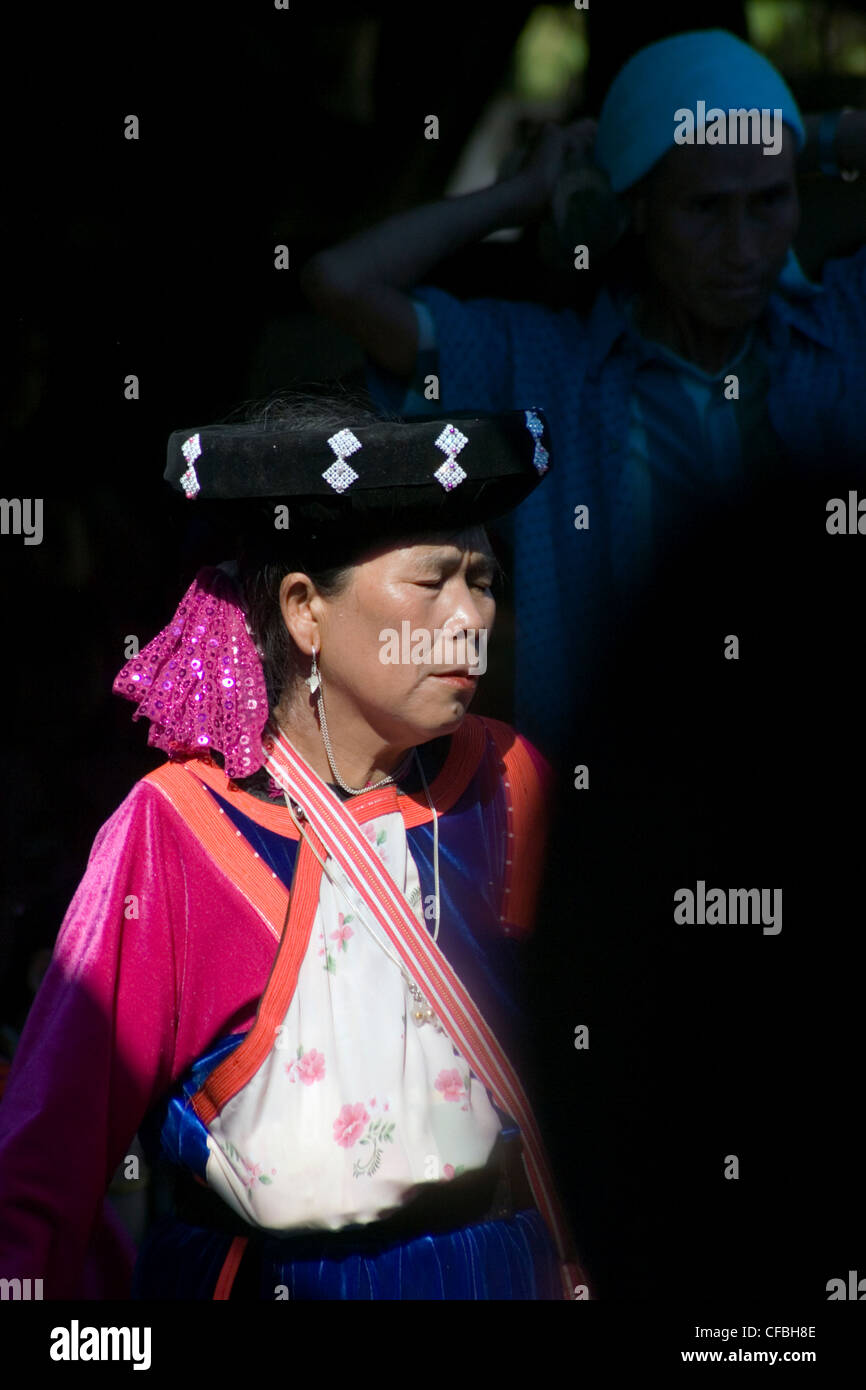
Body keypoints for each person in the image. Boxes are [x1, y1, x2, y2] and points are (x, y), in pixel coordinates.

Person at [0, 394, 587, 1300]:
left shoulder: (513, 787)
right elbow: (44, 1158)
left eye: (484, 579)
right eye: (433, 583)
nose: (470, 616)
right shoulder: (179, 833)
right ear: (306, 609)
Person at [301, 29, 866, 756]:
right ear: (633, 211)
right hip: (629, 792)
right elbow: (340, 282)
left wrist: (812, 137)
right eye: (705, 209)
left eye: (770, 201)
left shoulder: (842, 334)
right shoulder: (546, 369)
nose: (745, 248)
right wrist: (523, 195)